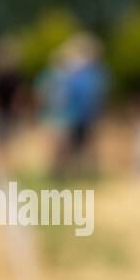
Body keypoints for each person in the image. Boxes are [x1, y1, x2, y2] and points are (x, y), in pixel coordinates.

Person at [48, 33, 108, 178]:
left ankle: (79, 173)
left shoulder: (92, 74)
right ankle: (69, 173)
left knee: (82, 147)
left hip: (84, 116)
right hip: (75, 115)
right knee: (73, 147)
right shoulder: (83, 74)